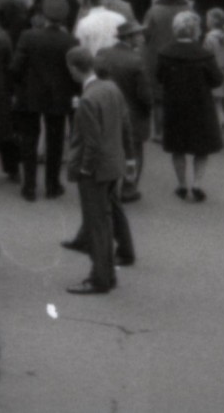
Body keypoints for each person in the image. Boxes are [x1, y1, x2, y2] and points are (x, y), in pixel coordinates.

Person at [62, 45, 136, 295]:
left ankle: (100, 278)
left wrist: (84, 169)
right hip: (113, 164)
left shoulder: (88, 99)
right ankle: (108, 272)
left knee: (97, 225)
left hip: (95, 170)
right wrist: (130, 158)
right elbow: (125, 124)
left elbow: (91, 143)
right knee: (106, 218)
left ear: (74, 68)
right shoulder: (111, 88)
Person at [10, 0, 76, 201]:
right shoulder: (70, 41)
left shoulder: (28, 36)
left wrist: (20, 86)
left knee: (29, 140)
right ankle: (52, 184)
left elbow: (16, 67)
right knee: (55, 142)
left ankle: (29, 186)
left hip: (30, 95)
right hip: (58, 97)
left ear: (44, 15)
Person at [155, 13, 224, 201]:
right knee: (201, 149)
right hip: (200, 106)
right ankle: (197, 184)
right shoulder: (204, 55)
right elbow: (217, 80)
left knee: (177, 148)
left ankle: (181, 184)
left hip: (174, 105)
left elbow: (159, 77)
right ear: (195, 30)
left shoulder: (165, 52)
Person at [96, 22, 155, 200]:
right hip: (132, 113)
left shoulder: (103, 54)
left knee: (108, 149)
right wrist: (149, 108)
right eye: (138, 34)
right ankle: (129, 189)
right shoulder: (136, 60)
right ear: (129, 38)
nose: (142, 38)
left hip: (106, 109)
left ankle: (106, 188)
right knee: (133, 152)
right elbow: (144, 94)